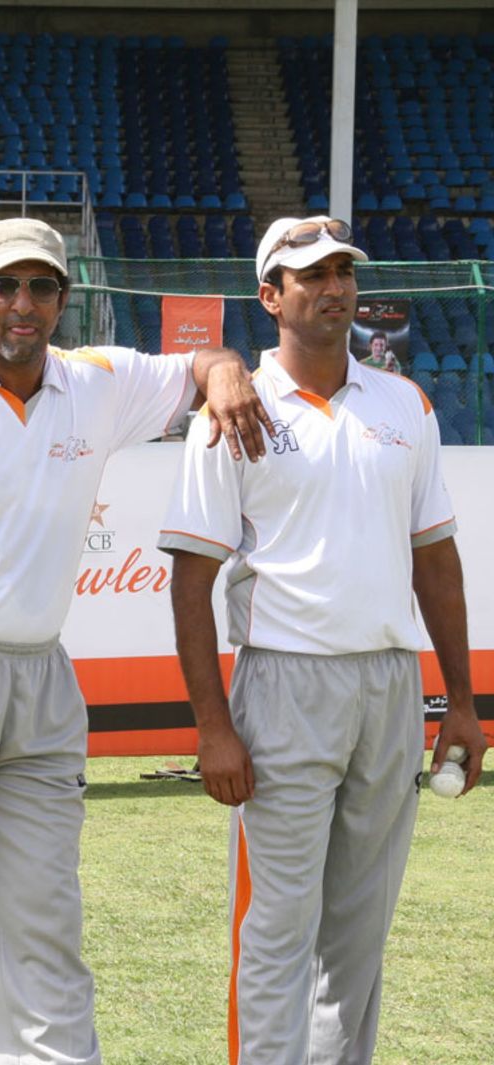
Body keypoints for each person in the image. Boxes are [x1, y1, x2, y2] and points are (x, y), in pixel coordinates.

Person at [0, 216, 273, 1065]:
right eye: (5, 287)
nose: (22, 305)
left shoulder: (96, 382)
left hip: (42, 680)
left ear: (64, 300)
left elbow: (200, 363)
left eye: (41, 287)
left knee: (43, 920)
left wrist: (225, 375)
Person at [159, 215, 487, 1065]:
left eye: (343, 271)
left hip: (387, 686)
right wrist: (213, 726)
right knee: (275, 927)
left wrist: (461, 701)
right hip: (282, 687)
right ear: (270, 295)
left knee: (358, 936)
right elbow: (191, 581)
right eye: (311, 275)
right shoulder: (230, 409)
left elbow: (436, 560)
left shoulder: (404, 403)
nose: (335, 287)